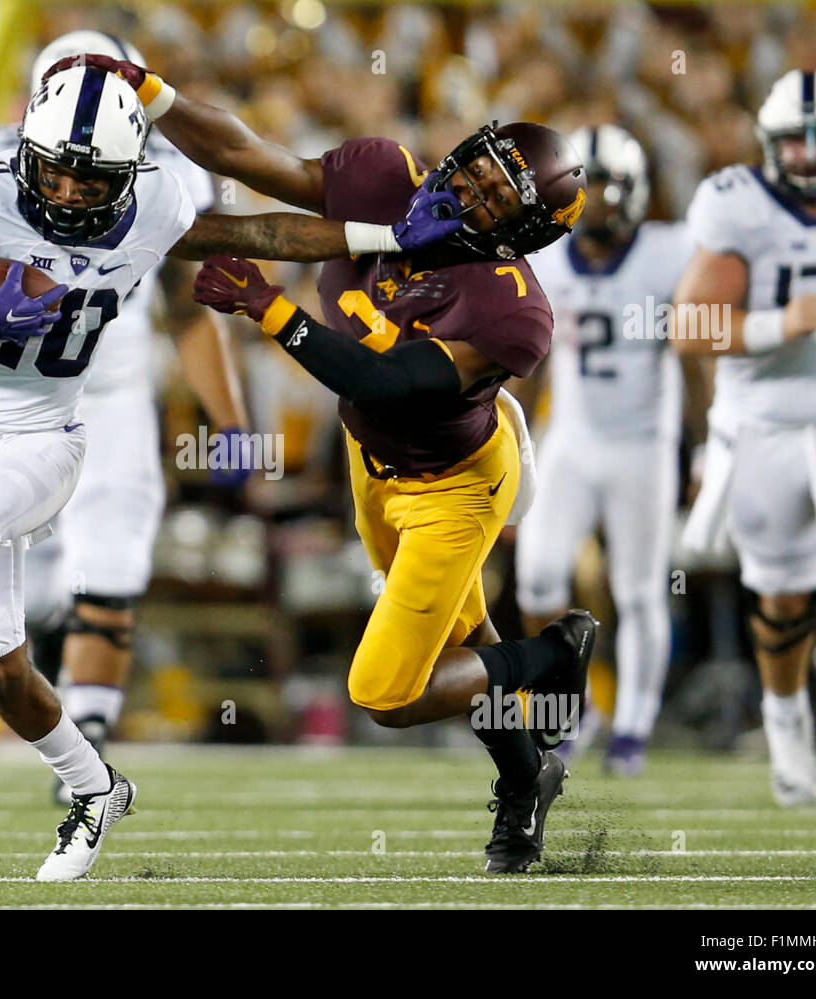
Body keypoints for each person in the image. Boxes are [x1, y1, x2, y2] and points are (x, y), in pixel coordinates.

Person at [0, 63, 453, 880]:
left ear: (129, 173)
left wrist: (389, 237)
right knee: (11, 677)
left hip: (47, 433)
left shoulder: (154, 207)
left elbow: (262, 235)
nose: (69, 191)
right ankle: (95, 786)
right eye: (58, 169)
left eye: (90, 176)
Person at [70, 53, 598, 873]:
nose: (471, 195)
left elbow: (384, 379)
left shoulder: (510, 309)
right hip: (371, 463)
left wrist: (270, 308)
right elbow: (247, 157)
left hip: (453, 486)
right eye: (483, 173)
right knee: (464, 642)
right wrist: (150, 92)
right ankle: (529, 781)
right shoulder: (386, 174)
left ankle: (554, 655)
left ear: (521, 236)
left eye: (499, 202)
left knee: (386, 691)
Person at [0, 30, 253, 805]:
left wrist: (230, 419)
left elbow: (192, 315)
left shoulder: (168, 179)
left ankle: (85, 739)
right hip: (9, 403)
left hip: (111, 396)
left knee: (110, 569)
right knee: (27, 587)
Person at [675, 69, 816, 804]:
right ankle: (787, 717)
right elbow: (687, 326)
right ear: (770, 144)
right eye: (795, 139)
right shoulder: (740, 207)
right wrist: (776, 325)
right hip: (765, 422)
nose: (811, 153)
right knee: (785, 598)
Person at [517, 124, 692, 775]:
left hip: (645, 442)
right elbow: (524, 357)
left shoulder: (671, 253)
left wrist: (704, 448)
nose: (604, 201)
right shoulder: (546, 255)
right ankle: (576, 705)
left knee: (640, 589)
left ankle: (634, 729)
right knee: (536, 577)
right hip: (572, 437)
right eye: (592, 186)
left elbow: (699, 360)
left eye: (615, 186)